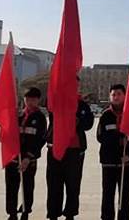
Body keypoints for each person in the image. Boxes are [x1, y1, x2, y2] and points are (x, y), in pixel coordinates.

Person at [46, 78, 94, 220]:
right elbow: (50, 109)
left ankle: (70, 214)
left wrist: (77, 120)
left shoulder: (82, 105)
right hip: (56, 147)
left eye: (75, 85)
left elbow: (88, 124)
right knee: (54, 183)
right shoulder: (56, 101)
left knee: (73, 184)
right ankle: (53, 213)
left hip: (75, 150)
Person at [97, 84, 129, 220]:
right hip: (109, 162)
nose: (116, 97)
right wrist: (118, 139)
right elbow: (100, 136)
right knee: (108, 194)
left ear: (124, 95)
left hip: (125, 163)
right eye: (113, 94)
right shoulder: (106, 115)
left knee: (125, 194)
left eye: (119, 94)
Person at [5, 87, 47, 220]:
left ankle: (25, 211)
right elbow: (8, 135)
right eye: (27, 99)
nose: (30, 102)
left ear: (38, 100)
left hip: (29, 159)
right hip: (13, 157)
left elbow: (40, 140)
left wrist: (28, 157)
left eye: (33, 99)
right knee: (11, 186)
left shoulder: (40, 118)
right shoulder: (17, 115)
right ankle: (12, 213)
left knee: (27, 186)